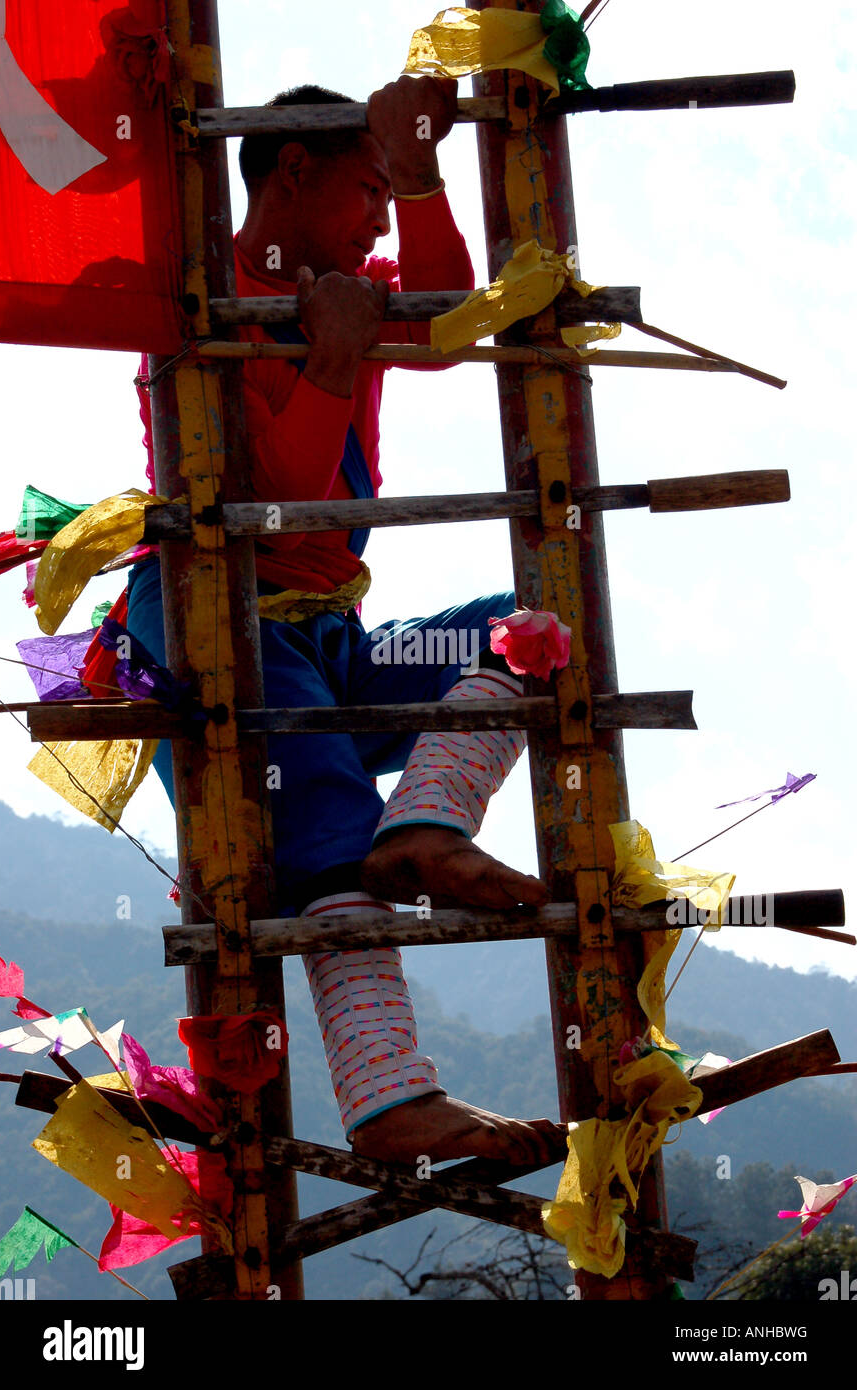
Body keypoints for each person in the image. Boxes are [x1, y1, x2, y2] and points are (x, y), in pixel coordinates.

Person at [128, 75, 563, 1166]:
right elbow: (271, 493)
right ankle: (385, 1101)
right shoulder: (190, 301)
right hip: (217, 621)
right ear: (294, 169)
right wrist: (330, 355)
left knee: (531, 635)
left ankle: (423, 826)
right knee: (319, 813)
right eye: (370, 191)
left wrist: (421, 181)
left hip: (330, 637)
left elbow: (449, 318)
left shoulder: (352, 289)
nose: (379, 220)